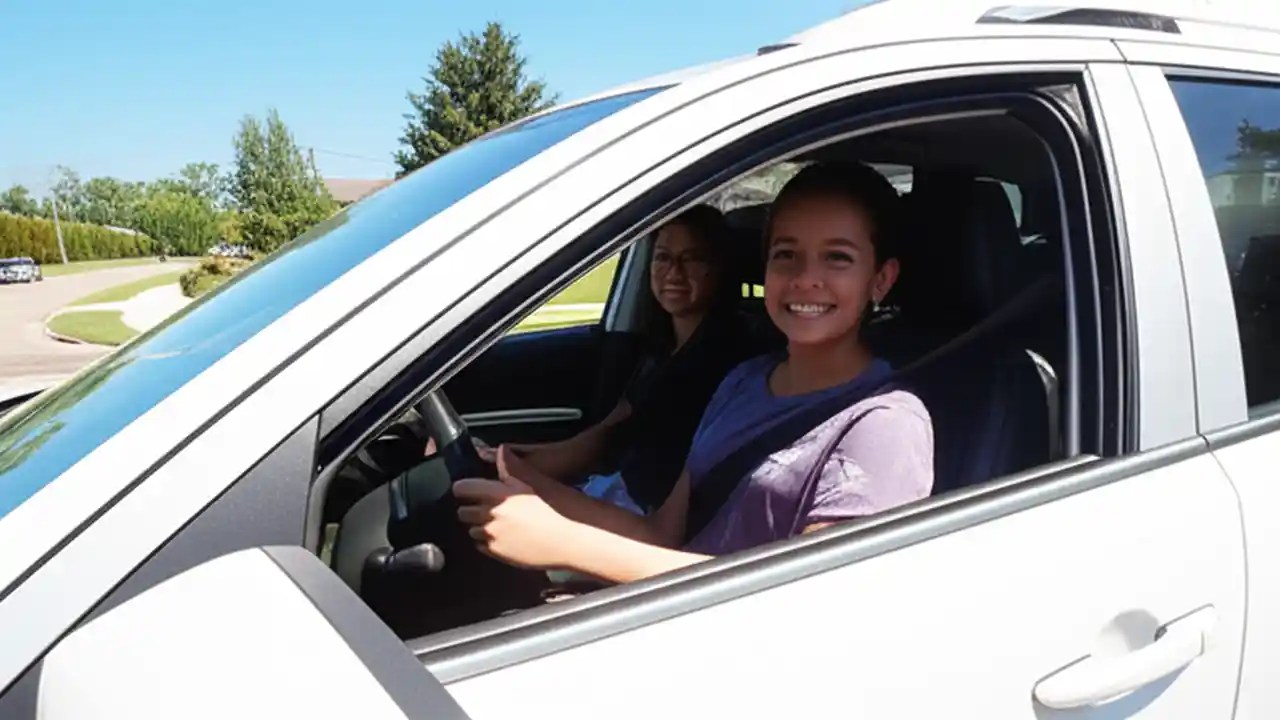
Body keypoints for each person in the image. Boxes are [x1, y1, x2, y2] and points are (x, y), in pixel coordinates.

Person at [454, 162, 934, 585]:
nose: (805, 278)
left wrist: (566, 544)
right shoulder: (744, 381)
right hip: (664, 607)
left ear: (881, 279)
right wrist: (521, 478)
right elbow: (660, 534)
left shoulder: (885, 428)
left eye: (837, 257)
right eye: (785, 254)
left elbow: (805, 604)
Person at [479, 204, 758, 514]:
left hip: (644, 516)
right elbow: (605, 435)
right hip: (616, 494)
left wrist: (523, 474)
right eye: (663, 257)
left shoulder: (730, 362)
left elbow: (673, 499)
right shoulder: (661, 349)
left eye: (692, 259)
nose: (674, 272)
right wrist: (511, 458)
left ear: (720, 268)